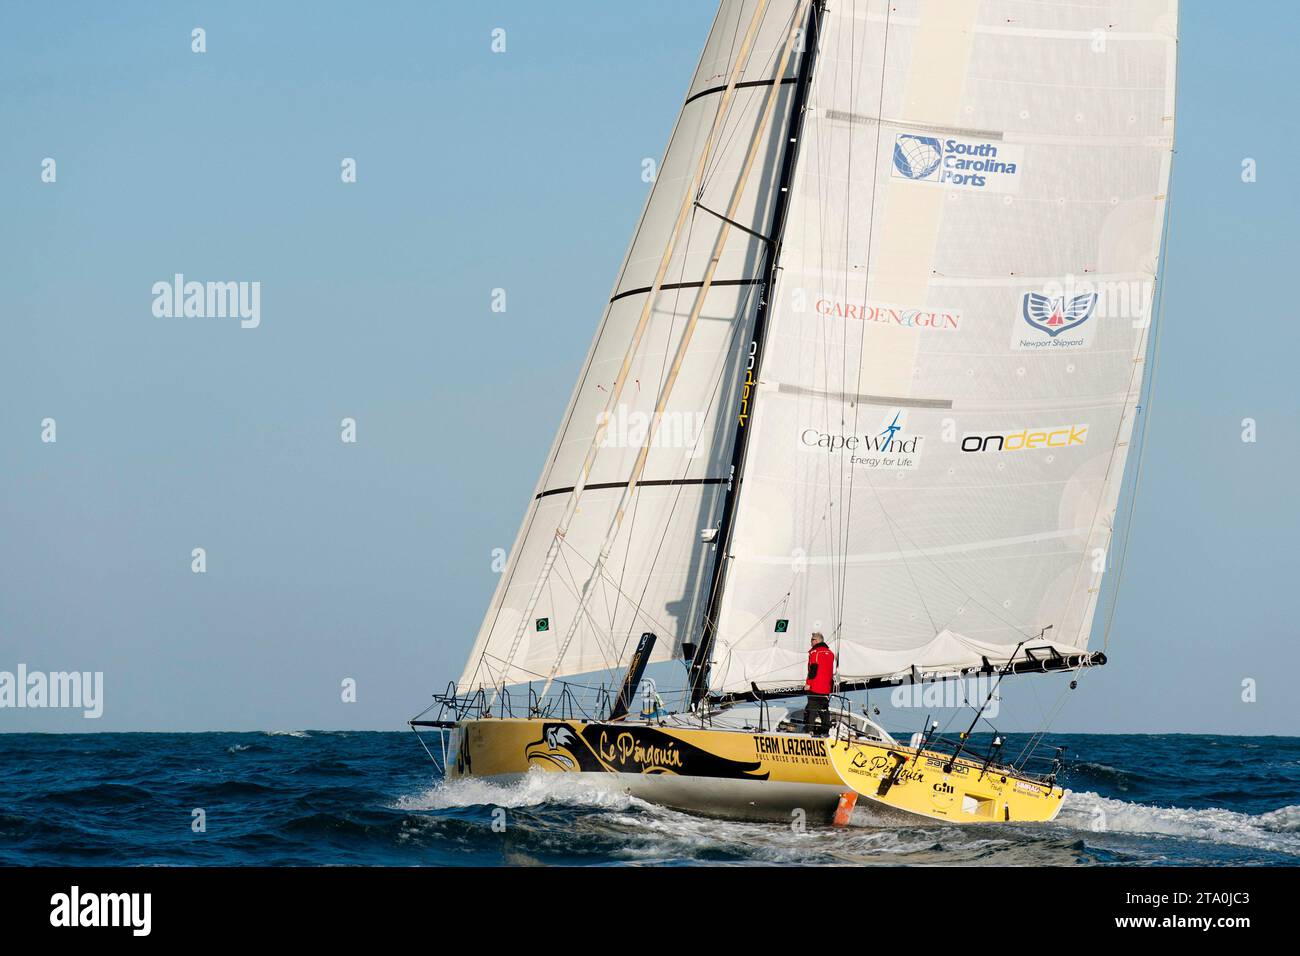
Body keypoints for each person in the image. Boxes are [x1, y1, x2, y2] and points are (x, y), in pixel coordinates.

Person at [804, 631, 834, 737]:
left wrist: (808, 683)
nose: (810, 642)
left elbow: (813, 669)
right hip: (826, 688)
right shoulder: (830, 653)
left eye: (812, 640)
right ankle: (825, 732)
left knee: (811, 709)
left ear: (816, 641)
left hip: (815, 686)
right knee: (824, 710)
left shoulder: (815, 652)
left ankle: (809, 731)